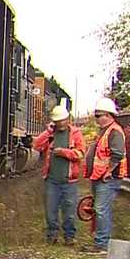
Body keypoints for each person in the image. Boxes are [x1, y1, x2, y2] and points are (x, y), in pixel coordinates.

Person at [31, 104, 85, 245]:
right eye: (57, 121)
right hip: (52, 180)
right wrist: (47, 132)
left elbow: (80, 154)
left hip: (69, 180)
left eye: (62, 120)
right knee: (51, 210)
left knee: (69, 212)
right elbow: (36, 145)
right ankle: (52, 235)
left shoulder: (76, 134)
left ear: (67, 119)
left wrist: (64, 152)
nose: (60, 123)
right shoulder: (50, 134)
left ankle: (69, 237)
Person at [83, 97, 128, 254]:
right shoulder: (105, 132)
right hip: (100, 177)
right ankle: (100, 241)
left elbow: (117, 154)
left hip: (108, 179)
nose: (96, 119)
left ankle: (102, 245)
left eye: (99, 115)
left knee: (102, 209)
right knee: (100, 209)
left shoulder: (114, 132)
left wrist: (108, 172)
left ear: (108, 115)